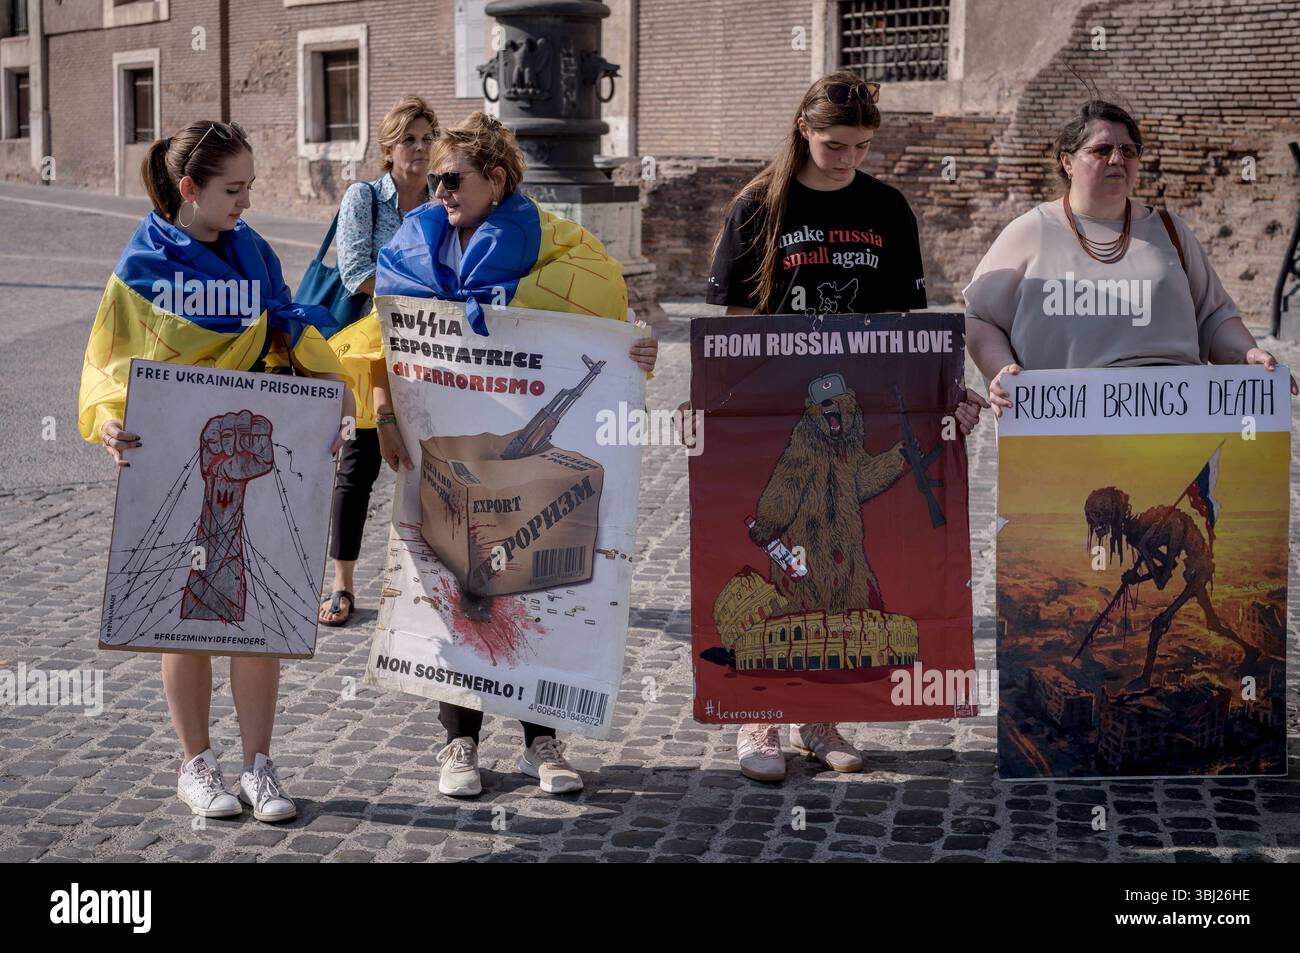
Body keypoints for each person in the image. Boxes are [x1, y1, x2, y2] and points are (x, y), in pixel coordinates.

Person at [345, 111, 657, 797]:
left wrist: (637, 353)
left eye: (453, 178)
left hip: (522, 458)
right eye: (433, 180)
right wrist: (384, 414)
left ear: (498, 178)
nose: (440, 191)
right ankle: (458, 740)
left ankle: (542, 739)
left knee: (530, 589)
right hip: (442, 450)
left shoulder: (561, 251)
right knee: (452, 589)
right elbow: (379, 342)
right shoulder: (409, 250)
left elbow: (606, 332)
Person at [702, 70, 986, 783]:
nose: (848, 157)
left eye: (861, 146)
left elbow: (906, 330)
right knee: (785, 569)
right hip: (777, 412)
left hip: (851, 411)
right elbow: (732, 326)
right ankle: (756, 717)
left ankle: (820, 716)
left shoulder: (888, 208)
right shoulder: (757, 207)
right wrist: (721, 407)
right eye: (835, 143)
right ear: (803, 127)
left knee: (843, 573)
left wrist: (944, 399)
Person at [78, 119, 357, 823]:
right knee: (188, 618)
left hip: (252, 452)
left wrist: (329, 398)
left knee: (256, 613)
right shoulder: (140, 266)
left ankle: (259, 765)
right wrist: (109, 418)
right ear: (188, 188)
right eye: (233, 190)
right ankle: (195, 763)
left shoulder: (253, 254)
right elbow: (109, 360)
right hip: (172, 454)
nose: (246, 202)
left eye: (251, 188)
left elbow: (287, 327)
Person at [965, 98, 1297, 416]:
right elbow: (980, 318)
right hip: (1063, 427)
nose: (1117, 159)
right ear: (1067, 162)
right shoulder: (1030, 231)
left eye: (1128, 150)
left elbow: (1213, 318)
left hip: (1173, 423)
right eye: (1101, 150)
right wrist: (1001, 370)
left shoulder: (1169, 230)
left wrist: (1246, 354)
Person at [320, 95, 438, 627]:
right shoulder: (364, 198)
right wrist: (422, 292)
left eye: (426, 138)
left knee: (437, 465)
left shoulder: (445, 199)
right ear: (388, 150)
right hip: (370, 348)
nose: (419, 147)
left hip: (429, 349)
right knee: (358, 466)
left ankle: (434, 585)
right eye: (408, 139)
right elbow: (355, 273)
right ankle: (341, 585)